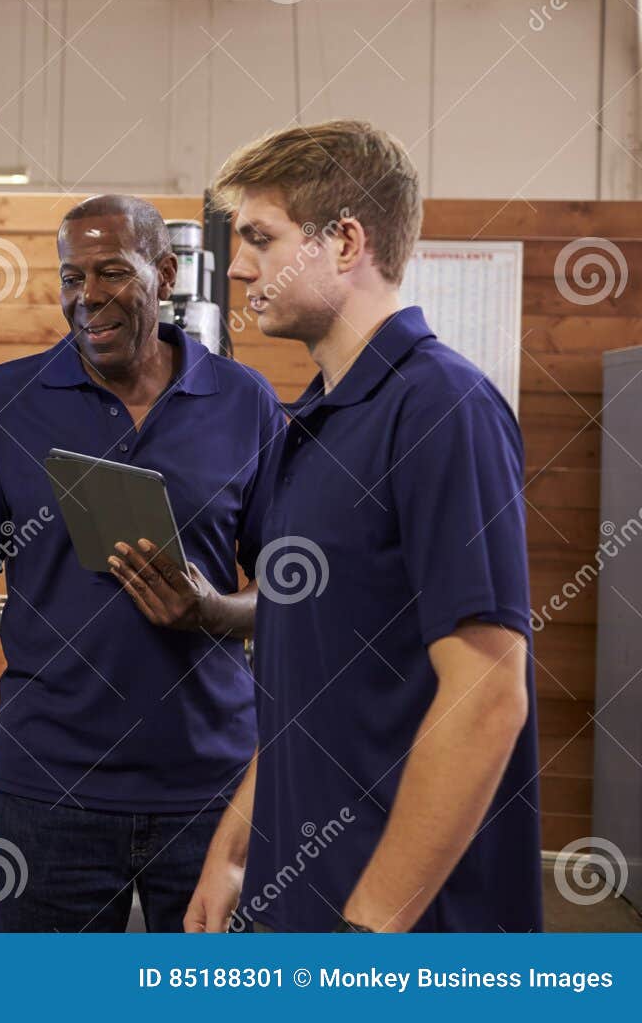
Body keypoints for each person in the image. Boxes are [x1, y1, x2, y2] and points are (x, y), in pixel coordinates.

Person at [184, 119, 539, 932]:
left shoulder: (443, 408)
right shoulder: (310, 424)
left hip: (400, 926)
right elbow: (308, 683)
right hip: (301, 901)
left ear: (344, 242)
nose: (238, 266)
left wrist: (369, 929)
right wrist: (235, 848)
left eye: (261, 239)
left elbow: (488, 696)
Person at [0, 194, 285, 931]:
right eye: (72, 276)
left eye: (113, 271)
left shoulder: (245, 402)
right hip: (48, 795)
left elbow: (290, 591)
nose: (89, 297)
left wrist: (213, 610)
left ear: (166, 272)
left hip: (213, 792)